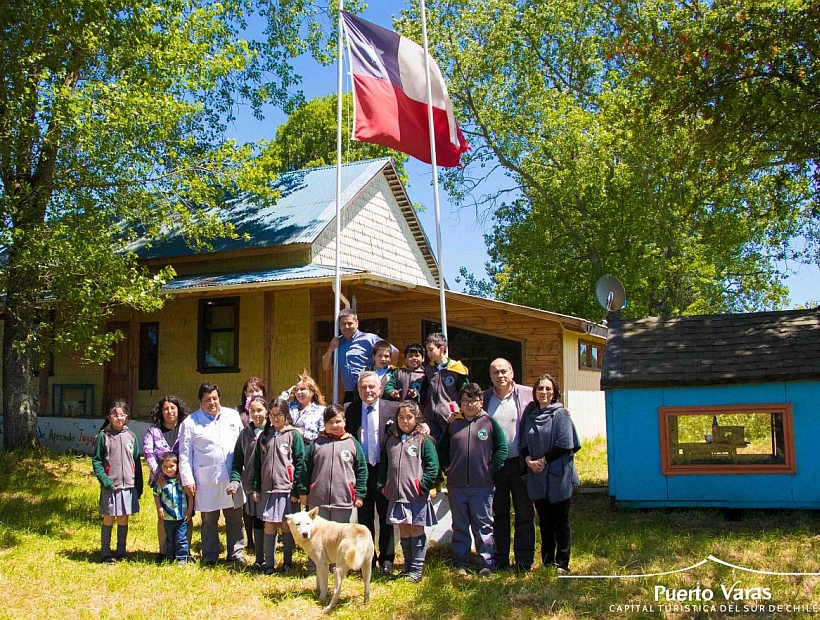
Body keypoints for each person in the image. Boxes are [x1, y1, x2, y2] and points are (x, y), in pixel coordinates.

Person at [438, 383, 507, 577]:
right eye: (465, 401)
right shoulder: (453, 424)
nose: (469, 404)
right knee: (460, 526)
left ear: (481, 402)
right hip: (457, 485)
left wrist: (490, 470)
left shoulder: (489, 423)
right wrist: (448, 469)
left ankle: (486, 563)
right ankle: (460, 562)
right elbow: (442, 450)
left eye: (473, 400)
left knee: (483, 526)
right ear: (460, 403)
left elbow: (502, 449)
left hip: (482, 486)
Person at [179, 382, 246, 565]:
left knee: (235, 517)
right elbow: (184, 454)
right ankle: (210, 555)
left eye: (215, 398)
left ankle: (236, 552)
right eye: (207, 399)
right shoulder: (190, 423)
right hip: (206, 479)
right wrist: (187, 479)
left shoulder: (232, 416)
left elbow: (243, 444)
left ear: (219, 398)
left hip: (232, 476)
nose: (212, 402)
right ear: (200, 401)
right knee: (209, 519)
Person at [520, 374, 581, 574]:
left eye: (548, 388)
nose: (544, 392)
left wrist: (543, 461)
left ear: (554, 392)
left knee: (560, 521)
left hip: (558, 474)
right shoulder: (530, 415)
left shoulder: (561, 414)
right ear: (535, 392)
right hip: (536, 475)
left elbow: (565, 443)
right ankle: (547, 562)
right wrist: (529, 461)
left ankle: (562, 563)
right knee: (544, 521)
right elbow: (523, 443)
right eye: (540, 388)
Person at [344, 371, 399, 574]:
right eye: (363, 387)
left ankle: (387, 559)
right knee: (364, 518)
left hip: (384, 470)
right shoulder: (350, 410)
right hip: (361, 471)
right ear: (358, 390)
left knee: (386, 516)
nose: (367, 390)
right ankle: (368, 558)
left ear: (380, 389)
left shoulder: (393, 408)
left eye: (371, 387)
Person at [482, 358, 535, 572]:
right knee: (498, 513)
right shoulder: (484, 398)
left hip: (520, 463)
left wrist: (562, 410)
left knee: (524, 513)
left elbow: (547, 405)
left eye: (504, 371)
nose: (500, 375)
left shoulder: (528, 394)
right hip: (495, 466)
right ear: (490, 376)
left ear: (512, 372)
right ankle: (500, 558)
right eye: (495, 372)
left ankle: (524, 559)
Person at [377, 400, 438, 582]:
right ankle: (408, 567)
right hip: (397, 495)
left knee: (416, 530)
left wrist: (423, 486)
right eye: (401, 417)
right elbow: (384, 466)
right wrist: (383, 485)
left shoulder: (423, 440)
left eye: (409, 417)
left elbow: (433, 466)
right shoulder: (392, 440)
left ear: (416, 418)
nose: (405, 421)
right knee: (404, 530)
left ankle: (417, 570)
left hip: (416, 495)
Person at [251, 397, 306, 575]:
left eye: (279, 415)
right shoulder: (264, 436)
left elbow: (300, 463)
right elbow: (257, 465)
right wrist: (256, 487)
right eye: (272, 415)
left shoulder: (293, 435)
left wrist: (297, 489)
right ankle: (269, 564)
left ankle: (287, 562)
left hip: (287, 489)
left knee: (286, 525)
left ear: (286, 415)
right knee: (269, 524)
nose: (275, 418)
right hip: (268, 489)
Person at [92, 400, 143, 563]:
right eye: (115, 415)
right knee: (109, 518)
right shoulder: (104, 436)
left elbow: (137, 462)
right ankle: (105, 553)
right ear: (109, 417)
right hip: (111, 486)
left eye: (122, 415)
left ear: (127, 417)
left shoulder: (131, 436)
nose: (119, 418)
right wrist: (105, 481)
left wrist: (138, 486)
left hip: (128, 486)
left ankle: (121, 552)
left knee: (123, 518)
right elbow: (97, 461)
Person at [300, 404, 367, 524]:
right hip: (318, 503)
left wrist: (359, 493)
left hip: (344, 503)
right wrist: (303, 492)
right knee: (320, 535)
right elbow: (305, 469)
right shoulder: (316, 444)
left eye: (338, 421)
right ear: (324, 423)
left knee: (344, 534)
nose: (334, 425)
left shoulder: (352, 444)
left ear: (344, 421)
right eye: (330, 422)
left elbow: (361, 470)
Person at [142, 395, 189, 561]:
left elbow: (190, 451)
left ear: (178, 410)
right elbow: (148, 452)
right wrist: (158, 474)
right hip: (161, 481)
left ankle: (185, 553)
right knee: (163, 516)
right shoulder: (153, 431)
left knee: (185, 516)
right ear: (160, 412)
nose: (170, 411)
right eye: (166, 409)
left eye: (173, 408)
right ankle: (163, 552)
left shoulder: (185, 428)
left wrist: (184, 473)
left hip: (183, 480)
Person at [321, 308, 397, 403]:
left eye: (350, 323)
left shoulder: (369, 339)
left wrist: (386, 376)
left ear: (357, 323)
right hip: (350, 393)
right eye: (343, 324)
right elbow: (326, 366)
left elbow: (394, 352)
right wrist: (331, 348)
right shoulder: (337, 342)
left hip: (369, 391)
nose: (346, 327)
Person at [229, 395, 267, 569]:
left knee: (270, 522)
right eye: (252, 411)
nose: (256, 414)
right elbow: (237, 460)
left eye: (259, 410)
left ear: (267, 411)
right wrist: (235, 480)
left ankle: (271, 557)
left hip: (270, 486)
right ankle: (259, 558)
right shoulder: (245, 434)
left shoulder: (273, 432)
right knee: (256, 519)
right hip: (252, 486)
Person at [423, 332, 470, 442]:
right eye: (427, 350)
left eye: (431, 350)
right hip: (431, 419)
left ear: (442, 349)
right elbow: (424, 391)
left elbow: (466, 393)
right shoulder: (429, 369)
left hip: (450, 417)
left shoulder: (457, 369)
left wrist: (460, 412)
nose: (428, 353)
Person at [153, 451, 194, 565]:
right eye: (165, 467)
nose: (168, 469)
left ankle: (182, 558)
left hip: (182, 516)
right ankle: (169, 557)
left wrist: (190, 510)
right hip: (168, 516)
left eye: (171, 466)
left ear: (177, 466)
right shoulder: (161, 482)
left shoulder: (182, 481)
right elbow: (156, 494)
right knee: (170, 538)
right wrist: (159, 508)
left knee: (181, 538)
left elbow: (190, 495)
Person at [279, 371, 326, 445]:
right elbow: (277, 405)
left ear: (312, 392)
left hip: (308, 448)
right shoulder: (291, 406)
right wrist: (288, 392)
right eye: (297, 390)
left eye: (302, 389)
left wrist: (302, 433)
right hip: (288, 446)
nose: (298, 392)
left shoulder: (321, 410)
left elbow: (322, 435)